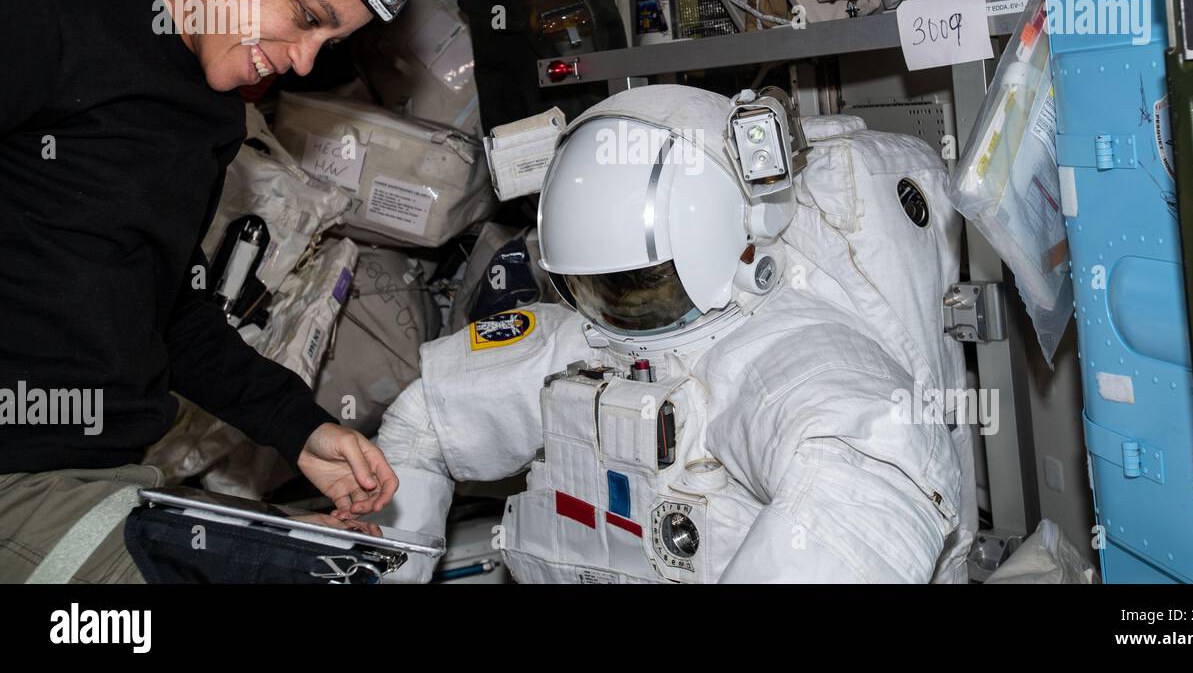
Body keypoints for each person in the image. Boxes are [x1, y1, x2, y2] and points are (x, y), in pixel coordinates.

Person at [0, 0, 419, 583]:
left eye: (328, 46)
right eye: (306, 15)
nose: (301, 59)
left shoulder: (211, 114)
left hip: (108, 477)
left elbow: (169, 308)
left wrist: (299, 429)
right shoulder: (43, 12)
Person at [373, 84, 978, 582]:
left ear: (735, 236)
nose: (624, 306)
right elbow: (426, 421)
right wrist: (397, 565)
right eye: (601, 285)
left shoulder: (780, 350)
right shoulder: (585, 339)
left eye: (645, 283)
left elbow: (872, 467)